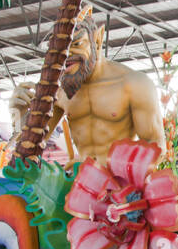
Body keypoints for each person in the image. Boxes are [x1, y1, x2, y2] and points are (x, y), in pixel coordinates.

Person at [24, 17, 165, 166]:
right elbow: (31, 147)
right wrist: (19, 115)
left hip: (123, 182)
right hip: (81, 180)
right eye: (59, 49)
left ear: (97, 40)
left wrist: (115, 169)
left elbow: (156, 147)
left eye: (77, 44)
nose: (65, 55)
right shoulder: (60, 92)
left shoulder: (133, 83)